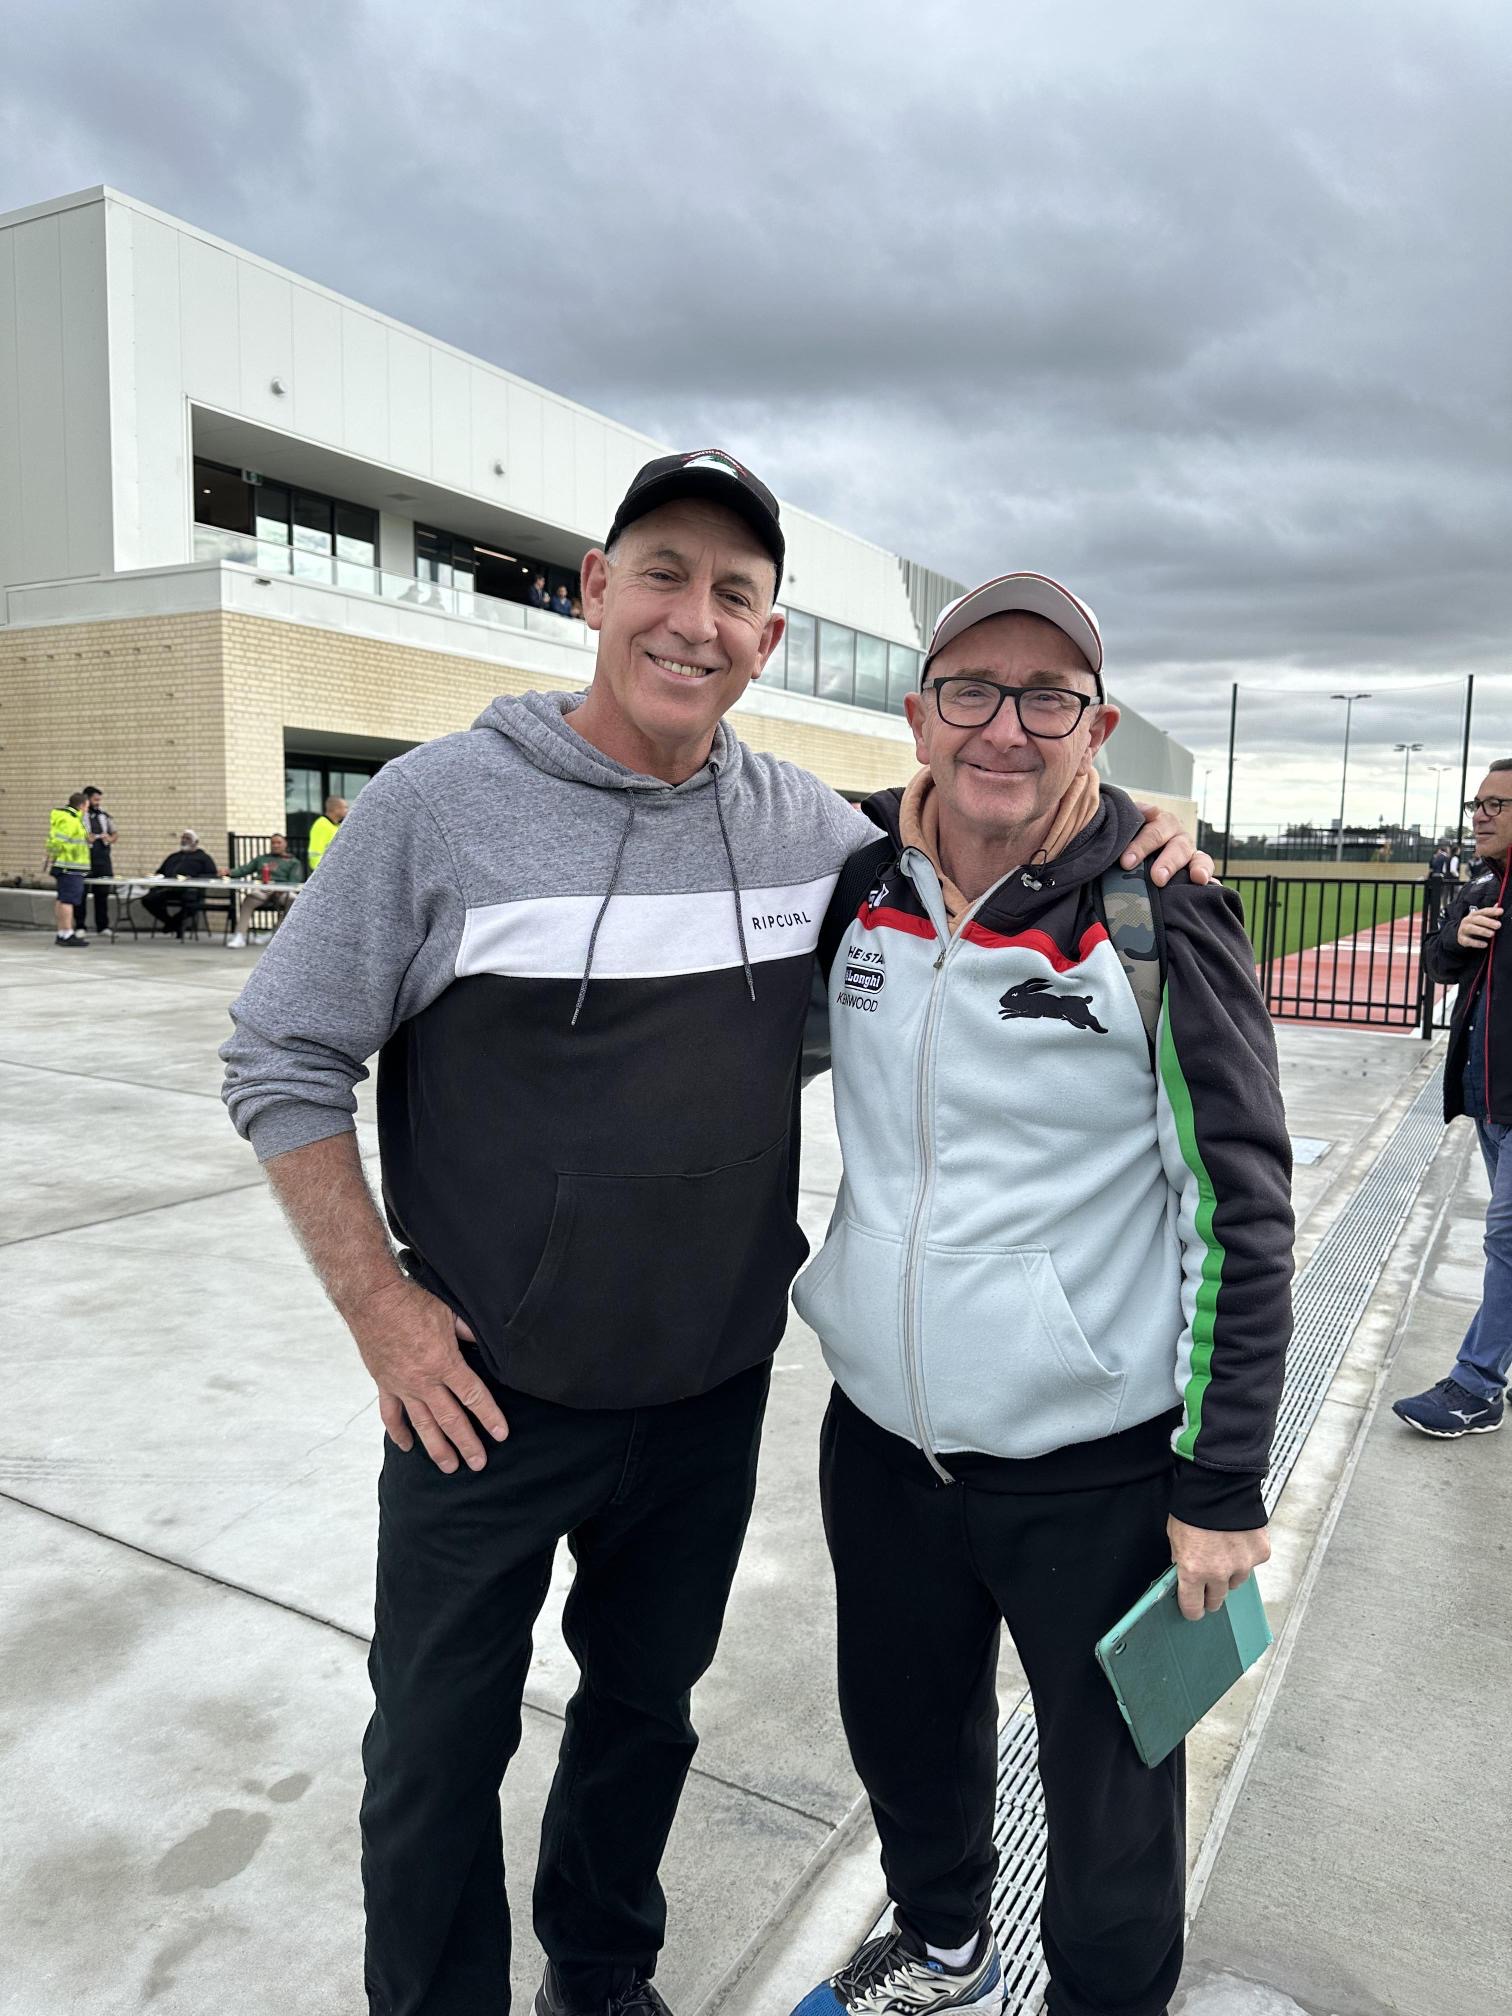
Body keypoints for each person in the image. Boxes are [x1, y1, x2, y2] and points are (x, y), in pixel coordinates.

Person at [220, 452, 1204, 2016]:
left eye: (733, 594)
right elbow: (281, 1054)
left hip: (704, 1400)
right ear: (594, 590)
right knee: (435, 1747)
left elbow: (987, 807)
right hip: (481, 1396)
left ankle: (601, 1980)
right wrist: (381, 1311)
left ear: (769, 638)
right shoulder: (435, 809)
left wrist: (1141, 826)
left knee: (643, 1719)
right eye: (663, 575)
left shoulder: (808, 834)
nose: (693, 620)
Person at [789, 573, 1294, 2016]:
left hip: (1099, 1467)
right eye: (973, 691)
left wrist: (1221, 1480)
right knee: (902, 1737)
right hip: (885, 1441)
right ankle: (946, 1948)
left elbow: (1240, 1207)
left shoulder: (1159, 911)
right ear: (918, 716)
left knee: (1114, 1801)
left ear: (1097, 727)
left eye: (1048, 698)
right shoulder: (856, 887)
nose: (1005, 727)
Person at [1394, 765, 1512, 1437]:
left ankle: (1477, 1385)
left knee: (1506, 1240)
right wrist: (1454, 937)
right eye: (1477, 803)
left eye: (1497, 803)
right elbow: (1438, 964)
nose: (1480, 815)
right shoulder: (1481, 890)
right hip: (1488, 1098)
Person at [226, 832, 304, 948]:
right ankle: (240, 935)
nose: (275, 845)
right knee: (249, 899)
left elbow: (294, 881)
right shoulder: (262, 859)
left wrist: (283, 889)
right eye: (273, 843)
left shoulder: (293, 862)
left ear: (285, 844)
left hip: (283, 892)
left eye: (279, 843)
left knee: (293, 900)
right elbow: (244, 870)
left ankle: (276, 934)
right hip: (264, 890)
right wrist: (229, 872)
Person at [141, 830, 219, 938]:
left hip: (190, 890)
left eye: (187, 838)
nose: (184, 840)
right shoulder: (173, 857)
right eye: (183, 838)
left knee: (192, 904)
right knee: (148, 899)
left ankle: (173, 923)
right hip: (169, 889)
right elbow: (160, 872)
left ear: (196, 842)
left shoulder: (204, 858)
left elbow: (212, 875)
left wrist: (194, 879)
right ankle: (172, 923)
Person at [45, 791, 92, 947]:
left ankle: (62, 933)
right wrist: (58, 855)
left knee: (63, 899)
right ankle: (67, 933)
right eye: (87, 806)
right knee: (68, 901)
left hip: (67, 865)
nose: (87, 809)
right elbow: (58, 842)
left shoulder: (70, 818)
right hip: (70, 866)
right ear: (82, 805)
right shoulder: (70, 820)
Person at [81, 785, 119, 936]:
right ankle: (80, 926)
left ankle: (102, 926)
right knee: (81, 893)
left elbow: (115, 834)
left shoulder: (103, 815)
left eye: (99, 800)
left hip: (102, 858)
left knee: (102, 893)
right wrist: (85, 837)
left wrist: (109, 838)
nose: (98, 803)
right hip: (85, 857)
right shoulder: (79, 816)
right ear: (87, 799)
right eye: (95, 800)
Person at [306, 796, 347, 872]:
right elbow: (315, 853)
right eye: (345, 807)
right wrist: (322, 871)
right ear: (336, 809)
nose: (347, 810)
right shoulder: (321, 825)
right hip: (324, 872)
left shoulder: (336, 826)